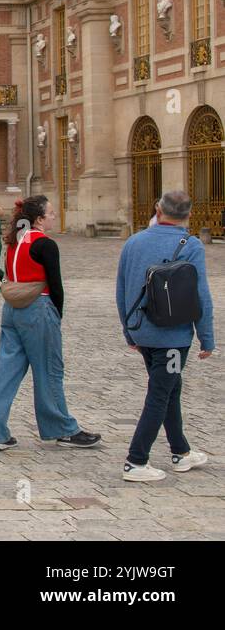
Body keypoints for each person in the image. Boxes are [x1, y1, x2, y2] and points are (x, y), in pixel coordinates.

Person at [0, 195, 101, 451]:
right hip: (38, 308)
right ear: (38, 219)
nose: (54, 216)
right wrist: (57, 314)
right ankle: (63, 429)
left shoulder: (14, 241)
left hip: (11, 309)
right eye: (50, 213)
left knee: (7, 372)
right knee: (49, 371)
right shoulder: (45, 244)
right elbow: (56, 286)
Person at [115, 189, 215, 482]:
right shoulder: (191, 245)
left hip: (142, 331)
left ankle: (181, 452)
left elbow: (122, 291)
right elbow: (201, 297)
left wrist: (128, 330)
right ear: (189, 214)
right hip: (172, 337)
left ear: (158, 210)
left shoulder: (133, 242)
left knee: (170, 388)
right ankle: (136, 460)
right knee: (160, 394)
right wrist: (206, 338)